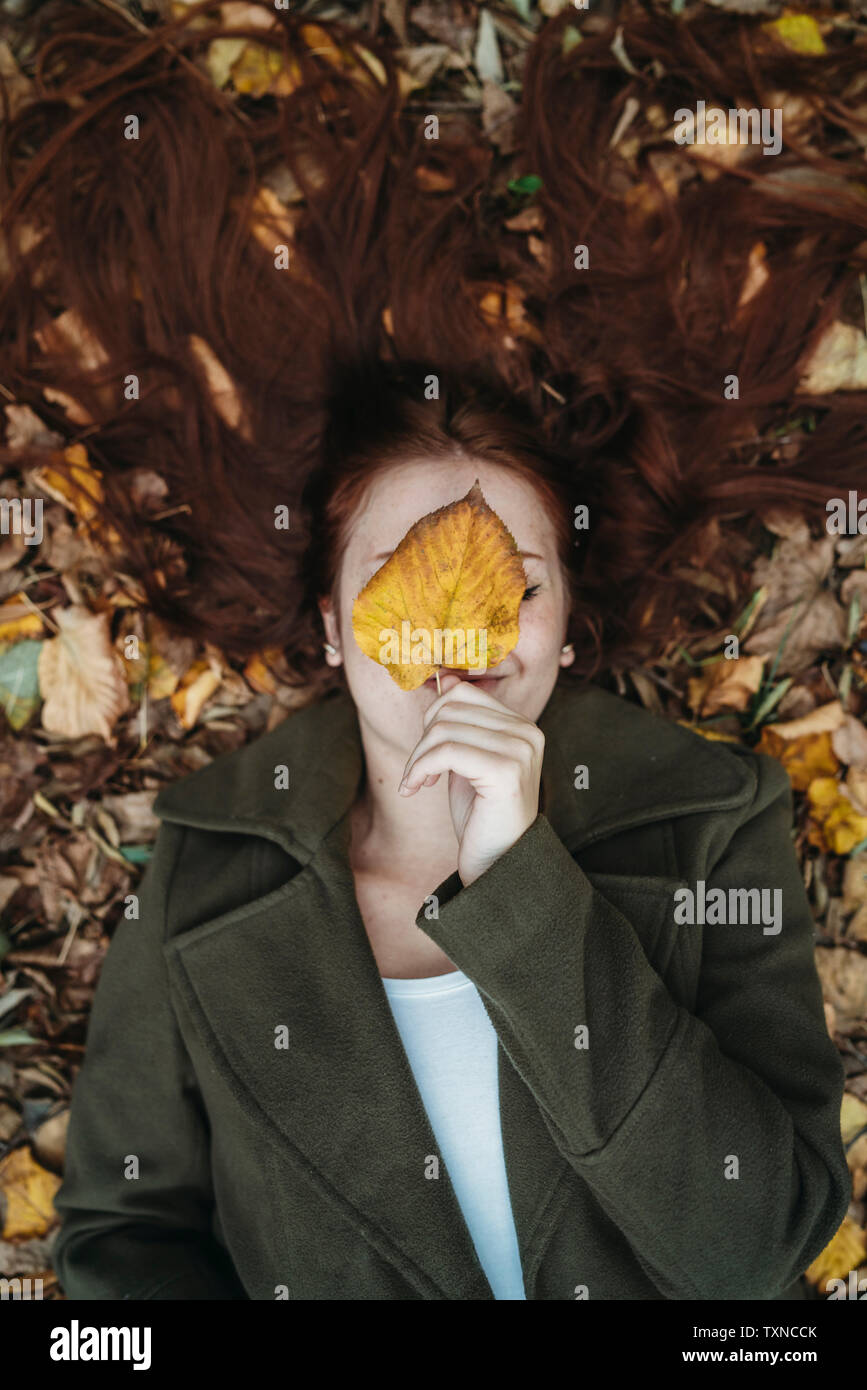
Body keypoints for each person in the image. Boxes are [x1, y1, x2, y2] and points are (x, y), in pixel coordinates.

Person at [1, 1, 863, 1300]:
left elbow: (756, 1247)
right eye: (402, 589)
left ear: (564, 622)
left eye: (509, 587)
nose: (457, 641)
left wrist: (520, 882)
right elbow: (124, 1243)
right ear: (338, 628)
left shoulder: (709, 824)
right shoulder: (202, 873)